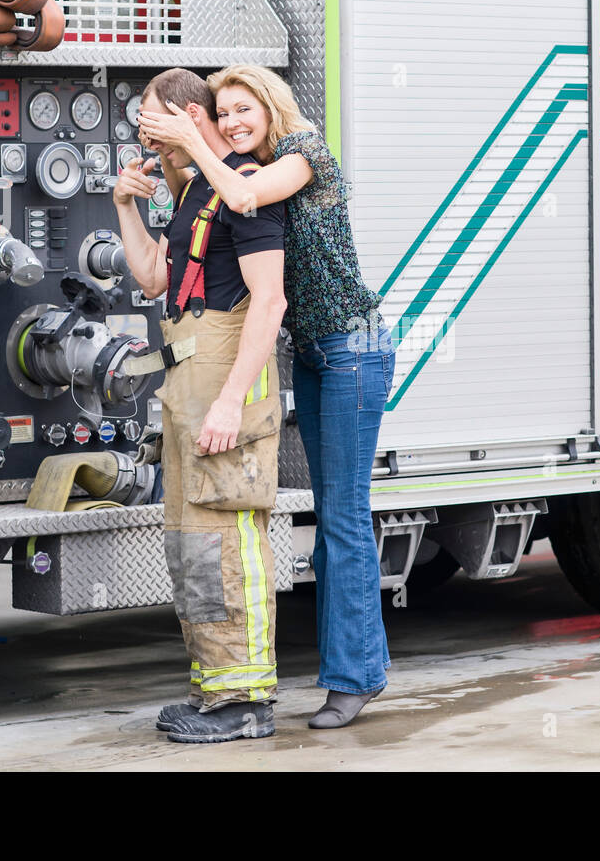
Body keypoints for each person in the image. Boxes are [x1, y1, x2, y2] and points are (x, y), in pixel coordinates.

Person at [139, 64, 395, 730]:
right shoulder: (244, 167)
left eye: (242, 108)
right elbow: (214, 201)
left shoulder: (301, 154)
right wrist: (170, 167)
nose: (232, 122)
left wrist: (192, 138)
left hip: (351, 347)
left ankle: (354, 679)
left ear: (270, 103)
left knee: (341, 517)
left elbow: (242, 199)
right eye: (220, 112)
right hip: (313, 350)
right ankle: (350, 669)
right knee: (330, 519)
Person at [112, 67, 287, 743]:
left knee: (228, 537)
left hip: (225, 383)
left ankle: (247, 701)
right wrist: (125, 204)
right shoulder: (194, 191)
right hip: (188, 376)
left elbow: (268, 303)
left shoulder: (246, 191)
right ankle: (215, 692)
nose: (146, 136)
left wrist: (229, 403)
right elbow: (156, 276)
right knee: (192, 541)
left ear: (189, 115)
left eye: (154, 123)